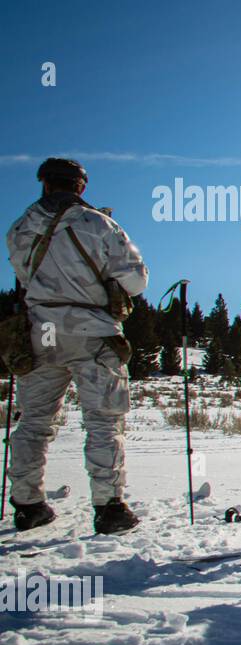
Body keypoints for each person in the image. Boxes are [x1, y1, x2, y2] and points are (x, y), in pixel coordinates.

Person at [5, 158, 148, 533]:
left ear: (45, 184)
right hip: (90, 329)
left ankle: (27, 503)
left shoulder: (21, 227)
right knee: (102, 420)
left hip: (42, 331)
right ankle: (109, 507)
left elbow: (22, 274)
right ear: (80, 187)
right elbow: (136, 280)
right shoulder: (98, 224)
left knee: (34, 421)